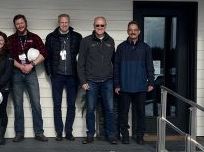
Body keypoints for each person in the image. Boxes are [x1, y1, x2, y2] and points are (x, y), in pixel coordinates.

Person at [6, 14, 49, 142]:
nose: (20, 25)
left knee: (35, 103)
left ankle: (39, 132)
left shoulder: (34, 37)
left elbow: (44, 53)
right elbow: (9, 57)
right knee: (18, 104)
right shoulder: (10, 39)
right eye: (17, 24)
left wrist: (31, 65)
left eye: (21, 23)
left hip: (31, 72)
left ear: (26, 23)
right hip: (16, 73)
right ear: (15, 25)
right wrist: (21, 66)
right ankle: (19, 133)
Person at [77, 16, 117, 144]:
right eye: (97, 25)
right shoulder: (86, 41)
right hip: (91, 81)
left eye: (102, 25)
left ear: (106, 26)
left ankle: (111, 135)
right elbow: (80, 63)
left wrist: (115, 80)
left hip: (107, 80)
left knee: (109, 109)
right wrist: (83, 81)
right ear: (93, 26)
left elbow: (114, 62)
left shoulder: (110, 41)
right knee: (90, 109)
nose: (100, 27)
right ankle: (90, 135)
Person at [114, 20, 155, 144]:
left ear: (139, 32)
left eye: (135, 30)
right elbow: (116, 67)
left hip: (141, 86)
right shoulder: (121, 47)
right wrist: (117, 84)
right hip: (124, 86)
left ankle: (140, 136)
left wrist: (151, 82)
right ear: (127, 31)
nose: (133, 32)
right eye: (130, 30)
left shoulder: (145, 47)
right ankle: (125, 135)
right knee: (123, 113)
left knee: (140, 113)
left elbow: (149, 66)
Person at [45, 13, 82, 141]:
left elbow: (82, 57)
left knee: (71, 105)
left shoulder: (77, 37)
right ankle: (59, 132)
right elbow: (47, 56)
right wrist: (50, 72)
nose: (64, 24)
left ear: (69, 23)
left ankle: (69, 131)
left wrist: (80, 74)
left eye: (66, 22)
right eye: (62, 22)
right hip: (57, 76)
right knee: (57, 105)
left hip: (73, 76)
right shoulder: (51, 37)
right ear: (58, 23)